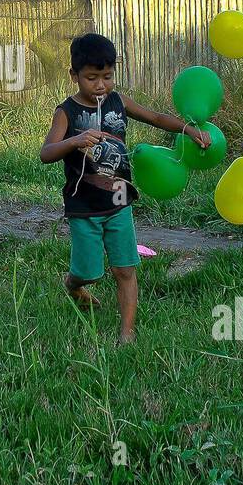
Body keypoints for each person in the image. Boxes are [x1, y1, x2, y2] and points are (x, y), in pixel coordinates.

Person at [41, 33, 212, 345]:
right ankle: (74, 284)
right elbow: (46, 152)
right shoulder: (67, 111)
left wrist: (188, 129)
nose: (101, 85)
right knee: (90, 272)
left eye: (107, 76)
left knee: (125, 269)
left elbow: (156, 117)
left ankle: (127, 334)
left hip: (120, 200)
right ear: (74, 75)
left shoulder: (118, 101)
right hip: (84, 207)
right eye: (91, 78)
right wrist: (76, 141)